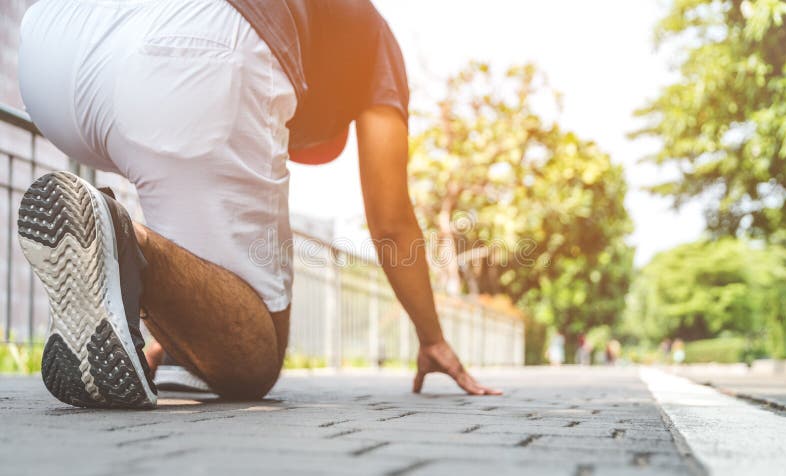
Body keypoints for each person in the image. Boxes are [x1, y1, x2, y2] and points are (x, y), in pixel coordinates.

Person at [16, 0, 500, 409]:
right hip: (199, 43)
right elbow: (391, 218)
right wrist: (432, 337)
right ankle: (124, 239)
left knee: (174, 163)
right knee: (256, 354)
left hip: (49, 46)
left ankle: (133, 276)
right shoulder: (375, 37)